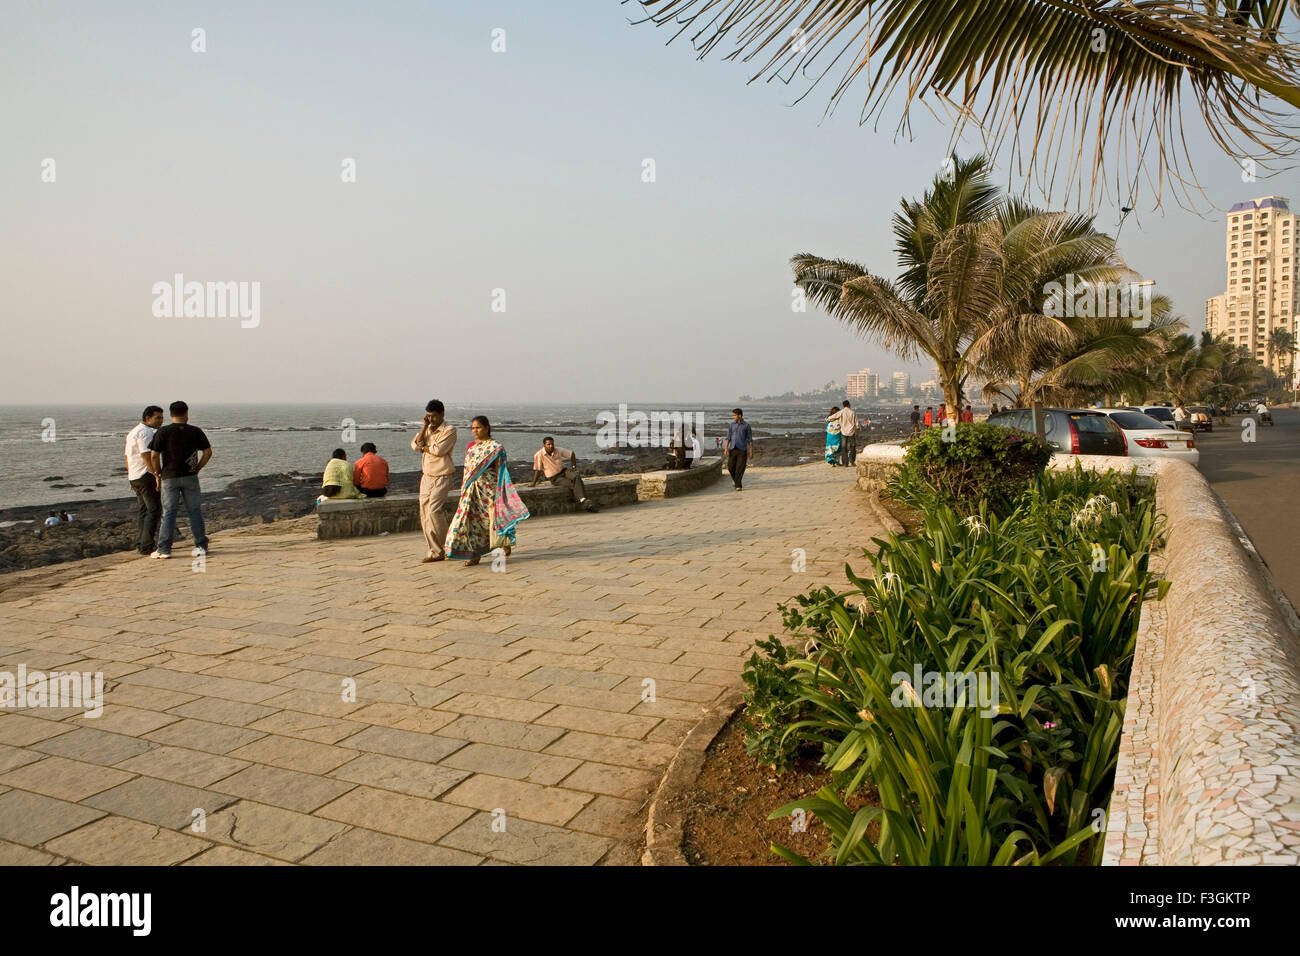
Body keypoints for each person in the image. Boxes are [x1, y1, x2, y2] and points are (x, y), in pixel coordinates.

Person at [446, 416, 529, 566]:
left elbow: (500, 470)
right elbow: (468, 469)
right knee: (469, 521)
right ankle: (473, 554)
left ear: (487, 428)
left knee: (491, 520)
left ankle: (504, 542)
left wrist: (500, 491)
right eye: (473, 428)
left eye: (478, 427)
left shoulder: (496, 447)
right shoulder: (471, 446)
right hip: (471, 491)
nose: (475, 431)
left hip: (488, 490)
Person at [147, 400, 211, 559]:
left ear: (170, 414)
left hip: (170, 476)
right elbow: (208, 452)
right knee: (194, 511)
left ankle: (164, 549)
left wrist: (158, 472)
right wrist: (198, 468)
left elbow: (154, 455)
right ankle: (201, 546)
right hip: (190, 476)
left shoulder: (163, 432)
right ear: (186, 413)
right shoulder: (195, 431)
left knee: (169, 512)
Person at [412, 400, 457, 564]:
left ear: (442, 414)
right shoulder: (428, 429)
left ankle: (449, 546)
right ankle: (434, 551)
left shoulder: (449, 430)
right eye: (428, 416)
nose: (431, 419)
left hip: (442, 475)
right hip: (427, 476)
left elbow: (439, 451)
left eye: (434, 416)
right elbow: (415, 445)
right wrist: (424, 427)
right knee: (424, 514)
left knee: (433, 510)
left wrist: (424, 447)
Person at [125, 405, 164, 555]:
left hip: (134, 475)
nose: (160, 421)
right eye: (158, 418)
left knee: (144, 510)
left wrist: (129, 474)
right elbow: (146, 454)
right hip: (144, 475)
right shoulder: (145, 432)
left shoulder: (133, 432)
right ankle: (147, 544)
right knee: (154, 509)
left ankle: (141, 542)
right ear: (148, 418)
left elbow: (127, 456)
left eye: (161, 417)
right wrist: (156, 474)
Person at [531, 437, 598, 512]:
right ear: (544, 445)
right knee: (573, 483)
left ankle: (583, 501)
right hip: (555, 478)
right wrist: (534, 483)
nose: (551, 446)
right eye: (548, 444)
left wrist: (573, 467)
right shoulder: (539, 455)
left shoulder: (558, 450)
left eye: (552, 444)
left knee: (576, 476)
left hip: (563, 471)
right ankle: (585, 503)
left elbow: (571, 454)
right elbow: (538, 470)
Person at [724, 408, 753, 490]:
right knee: (730, 466)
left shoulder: (746, 426)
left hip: (742, 449)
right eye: (733, 415)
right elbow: (728, 437)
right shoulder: (731, 425)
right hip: (732, 448)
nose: (733, 417)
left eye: (735, 415)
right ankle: (736, 480)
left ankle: (738, 485)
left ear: (740, 415)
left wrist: (751, 451)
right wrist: (726, 448)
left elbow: (750, 439)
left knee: (740, 467)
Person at [834, 401, 859, 466]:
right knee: (853, 446)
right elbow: (857, 423)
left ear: (843, 405)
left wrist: (827, 419)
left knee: (844, 447)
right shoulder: (853, 412)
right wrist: (857, 432)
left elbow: (834, 416)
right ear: (849, 405)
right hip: (851, 432)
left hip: (843, 432)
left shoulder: (841, 412)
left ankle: (845, 463)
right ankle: (852, 461)